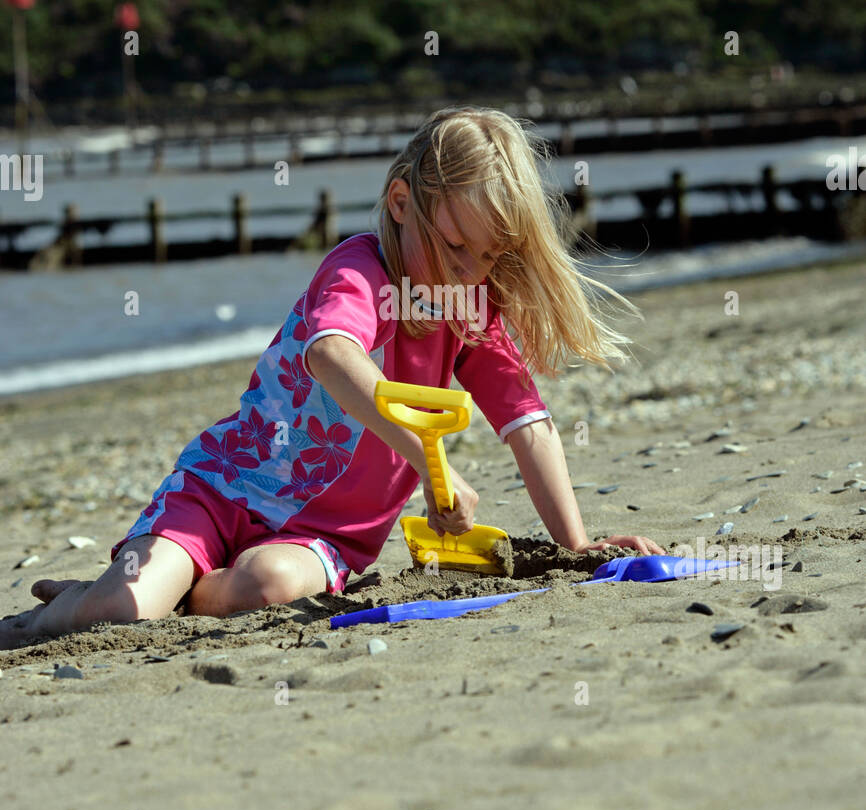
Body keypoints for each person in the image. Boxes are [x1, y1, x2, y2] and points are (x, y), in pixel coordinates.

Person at [1, 106, 661, 648]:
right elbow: (334, 357)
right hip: (222, 489)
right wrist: (426, 457)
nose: (469, 272)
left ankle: (185, 588)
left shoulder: (469, 308)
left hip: (325, 538)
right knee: (125, 608)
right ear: (401, 203)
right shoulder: (359, 272)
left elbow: (527, 423)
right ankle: (71, 603)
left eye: (488, 257)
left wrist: (576, 544)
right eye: (456, 247)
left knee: (266, 586)